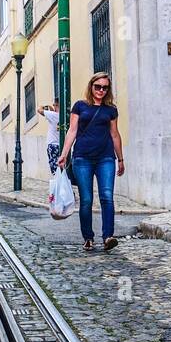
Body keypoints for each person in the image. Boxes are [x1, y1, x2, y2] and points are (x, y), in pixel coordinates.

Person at [56, 73, 124, 251]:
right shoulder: (80, 106)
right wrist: (64, 154)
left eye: (105, 87)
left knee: (107, 197)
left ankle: (108, 236)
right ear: (91, 86)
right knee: (86, 200)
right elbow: (72, 131)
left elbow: (115, 135)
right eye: (98, 86)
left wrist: (121, 159)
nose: (101, 90)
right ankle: (88, 237)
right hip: (82, 158)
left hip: (106, 158)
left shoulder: (111, 110)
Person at [42, 102, 61, 180]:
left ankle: (58, 188)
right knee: (62, 168)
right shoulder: (64, 116)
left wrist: (45, 106)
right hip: (62, 145)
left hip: (52, 145)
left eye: (54, 105)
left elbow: (39, 110)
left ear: (57, 105)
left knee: (55, 169)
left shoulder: (52, 115)